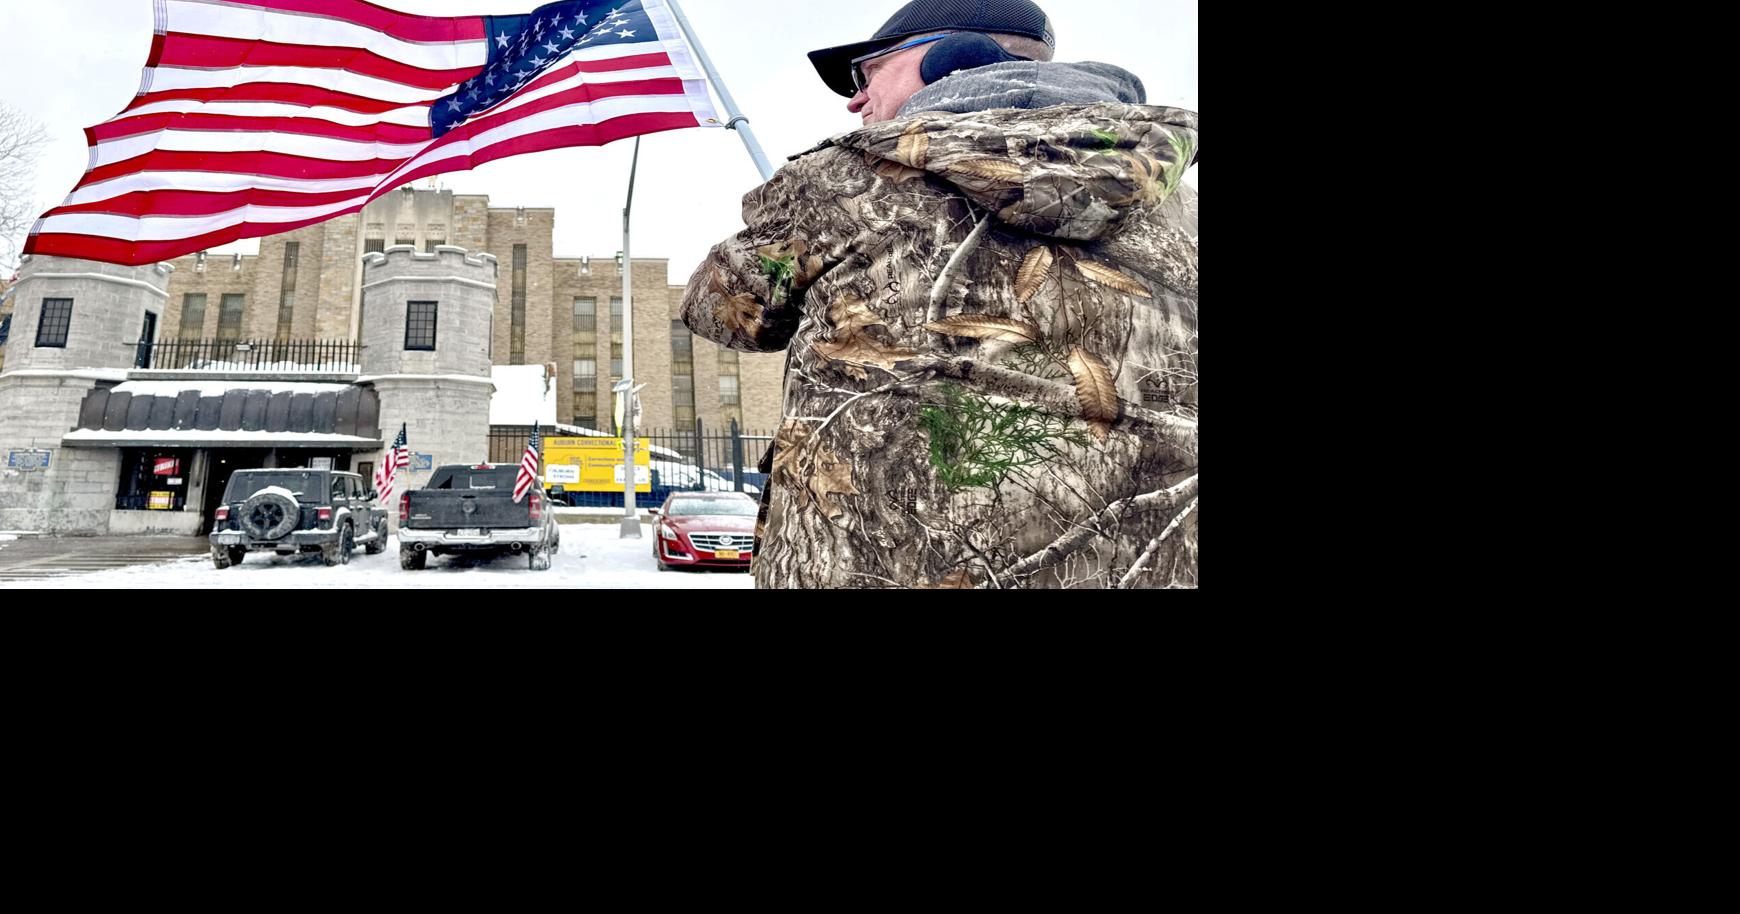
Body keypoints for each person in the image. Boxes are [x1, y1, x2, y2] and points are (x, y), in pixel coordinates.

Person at [681, 0, 1197, 589]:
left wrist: (804, 208)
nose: (854, 101)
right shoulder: (1184, 209)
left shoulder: (847, 182)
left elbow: (721, 311)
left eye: (867, 73)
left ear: (953, 57)